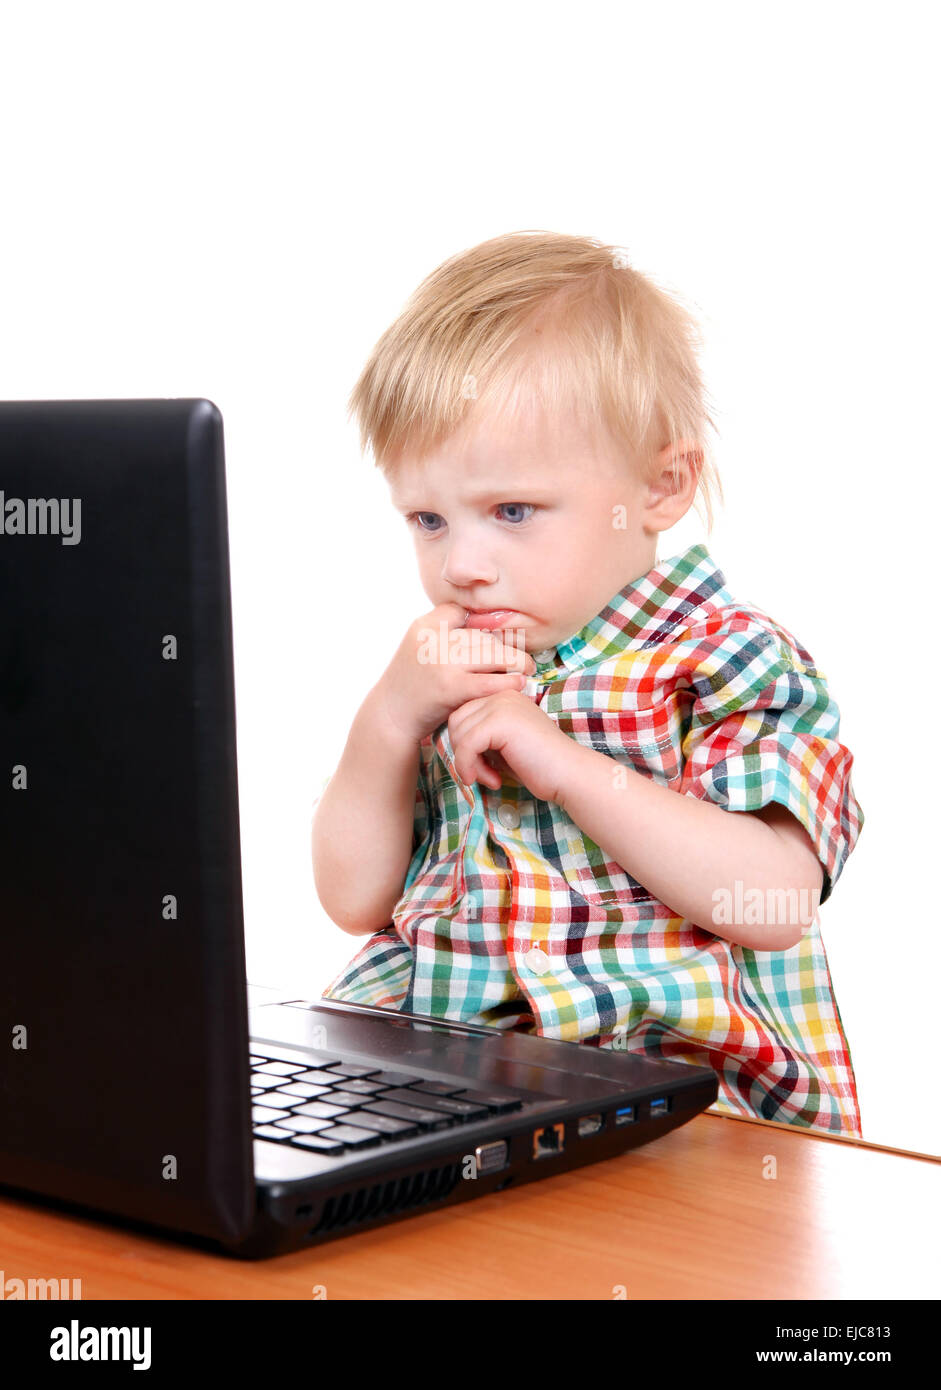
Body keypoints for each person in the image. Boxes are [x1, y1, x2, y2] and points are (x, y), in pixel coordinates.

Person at [310, 230, 865, 1136]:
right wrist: (384, 724)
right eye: (428, 519)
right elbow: (353, 900)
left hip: (677, 1101)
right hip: (446, 1081)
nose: (463, 565)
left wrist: (563, 763)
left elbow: (771, 902)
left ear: (659, 485)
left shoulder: (727, 658)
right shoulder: (443, 671)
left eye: (512, 512)